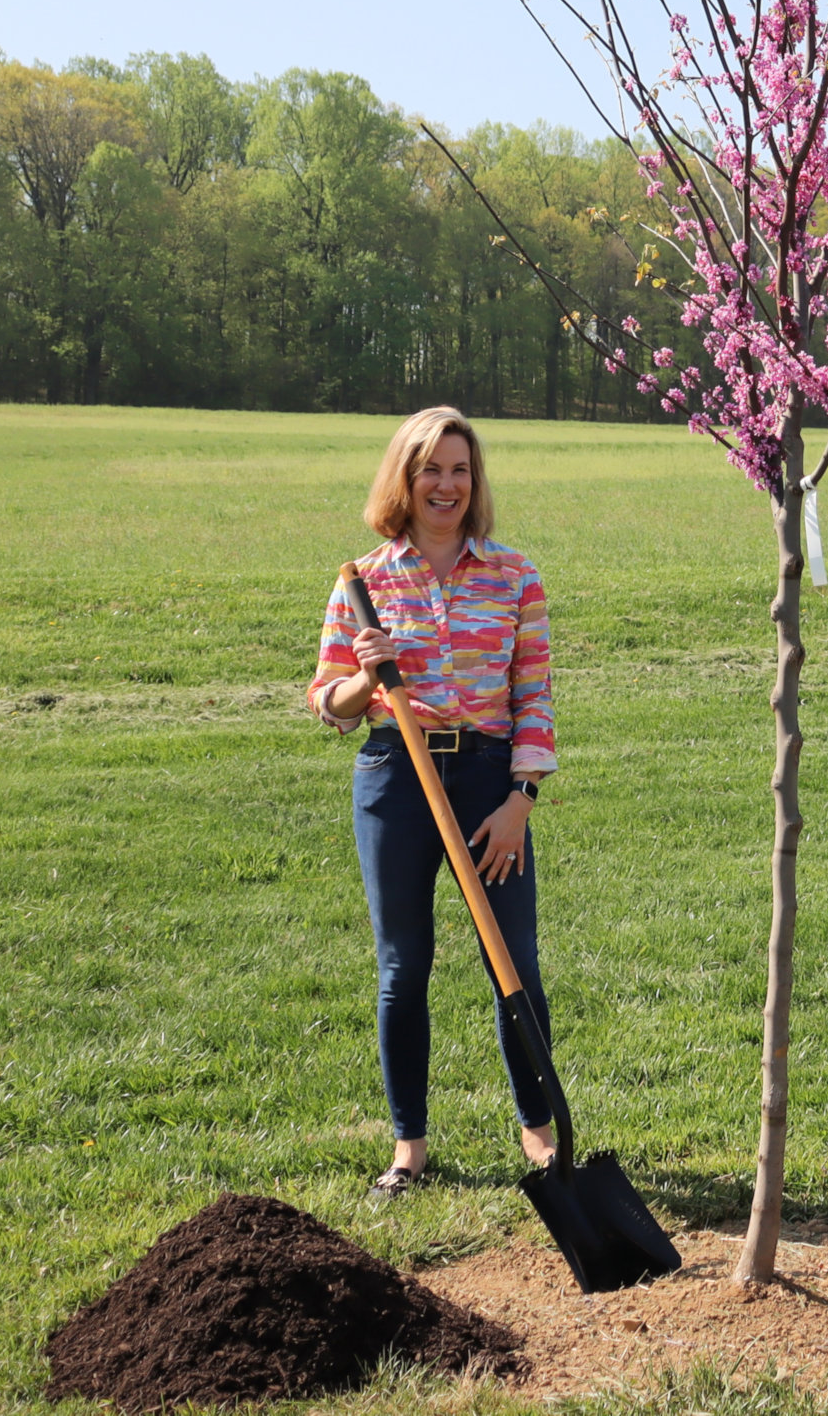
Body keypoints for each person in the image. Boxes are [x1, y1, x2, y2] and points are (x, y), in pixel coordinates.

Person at [308, 406, 558, 1193]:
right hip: (395, 779)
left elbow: (535, 697)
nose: (446, 485)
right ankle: (409, 1150)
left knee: (513, 961)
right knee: (402, 966)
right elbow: (326, 702)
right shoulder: (365, 582)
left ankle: (542, 1138)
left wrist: (520, 797)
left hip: (489, 780)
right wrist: (365, 675)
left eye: (459, 470)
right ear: (405, 479)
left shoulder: (516, 576)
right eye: (430, 470)